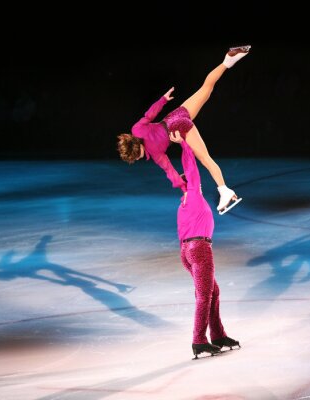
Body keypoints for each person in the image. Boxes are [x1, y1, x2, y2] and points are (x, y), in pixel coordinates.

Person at [117, 45, 250, 214]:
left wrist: (185, 191)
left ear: (136, 151)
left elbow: (171, 173)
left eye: (136, 157)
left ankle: (224, 190)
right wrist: (163, 99)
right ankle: (227, 60)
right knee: (206, 88)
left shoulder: (155, 154)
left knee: (206, 159)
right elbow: (149, 114)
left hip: (180, 128)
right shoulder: (136, 129)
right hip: (174, 116)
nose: (138, 159)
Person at [170, 130, 241, 359]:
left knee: (213, 291)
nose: (198, 183)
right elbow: (191, 166)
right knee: (204, 296)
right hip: (199, 250)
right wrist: (183, 145)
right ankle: (199, 339)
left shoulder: (184, 203)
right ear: (190, 183)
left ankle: (218, 335)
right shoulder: (192, 194)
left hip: (187, 252)